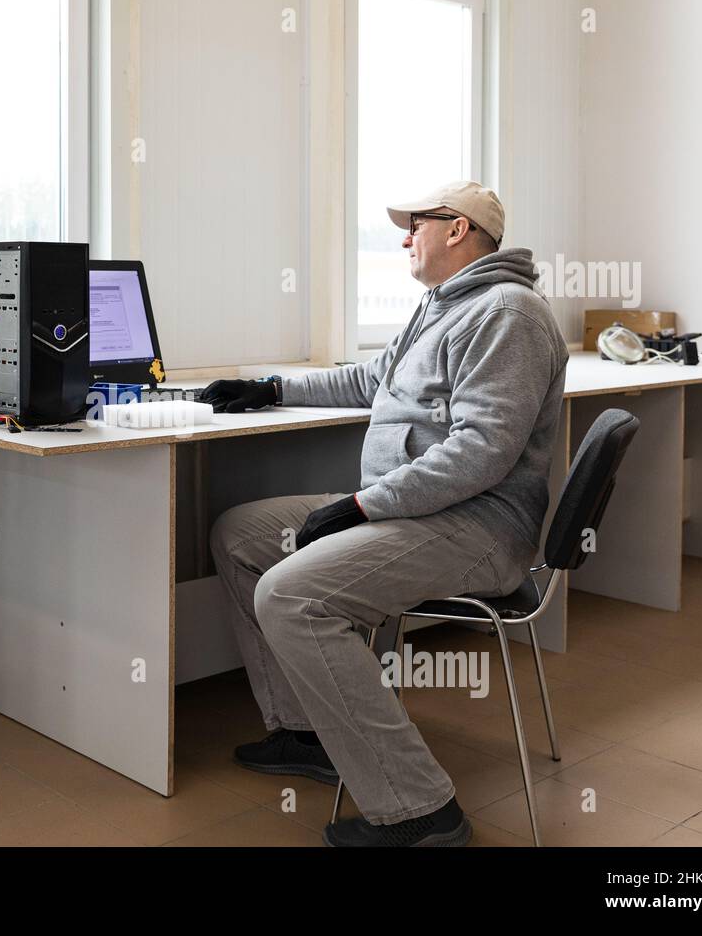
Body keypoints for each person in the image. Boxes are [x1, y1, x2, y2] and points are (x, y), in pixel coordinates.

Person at [200, 181, 568, 846]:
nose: (404, 238)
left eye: (414, 226)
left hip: (479, 526)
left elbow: (480, 454)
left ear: (455, 229)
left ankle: (422, 812)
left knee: (290, 595)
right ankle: (308, 733)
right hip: (415, 513)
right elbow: (372, 381)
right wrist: (270, 387)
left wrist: (363, 504)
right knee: (243, 535)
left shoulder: (507, 313)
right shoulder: (442, 306)